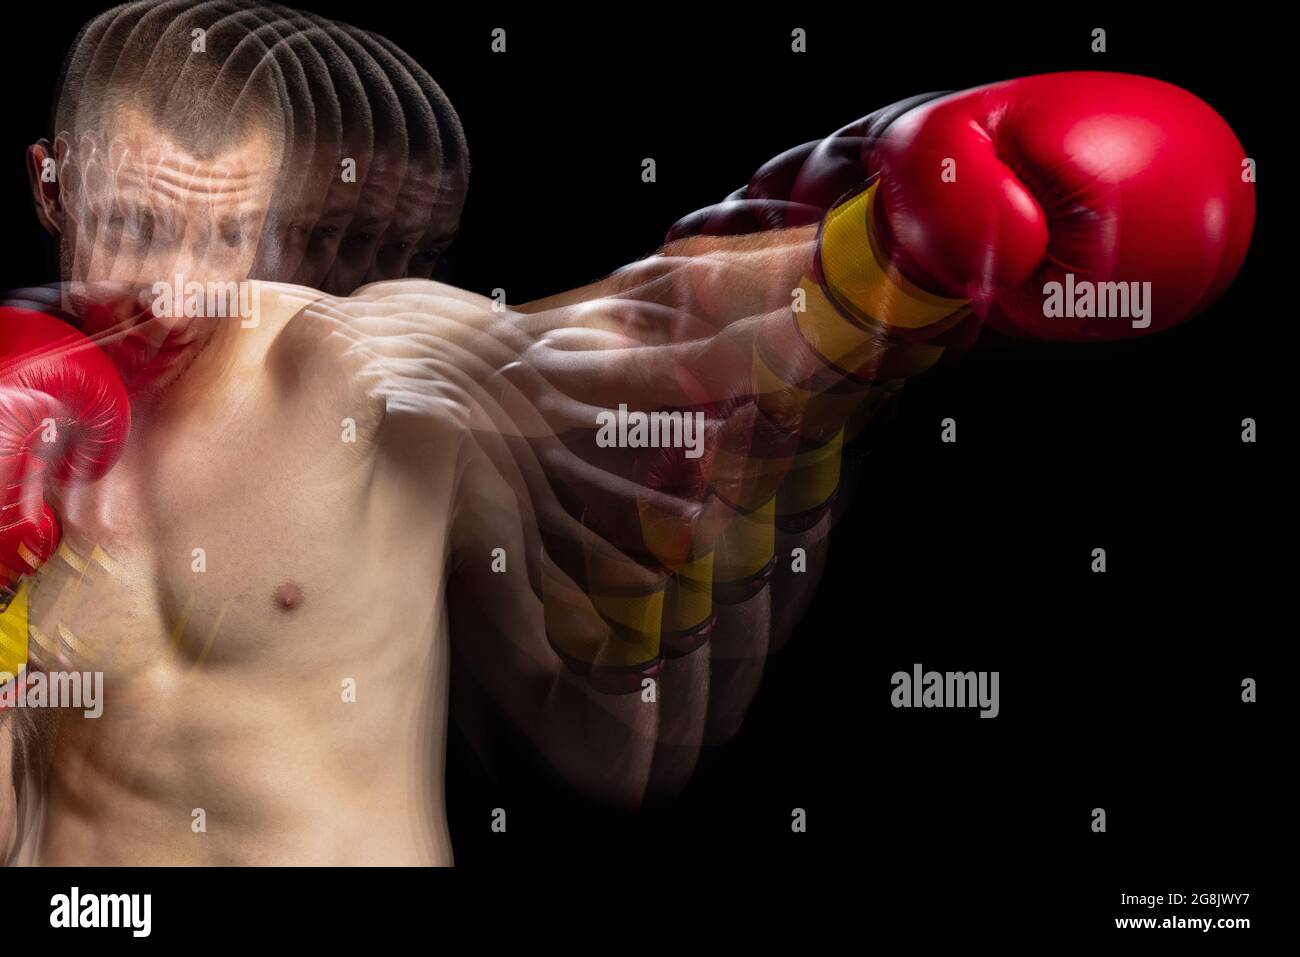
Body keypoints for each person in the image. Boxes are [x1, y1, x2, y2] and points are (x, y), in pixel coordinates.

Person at [0, 1, 1255, 865]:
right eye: (131, 225)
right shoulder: (14, 404)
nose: (174, 289)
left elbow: (642, 335)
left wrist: (897, 243)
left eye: (224, 239)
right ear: (51, 185)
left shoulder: (349, 359)